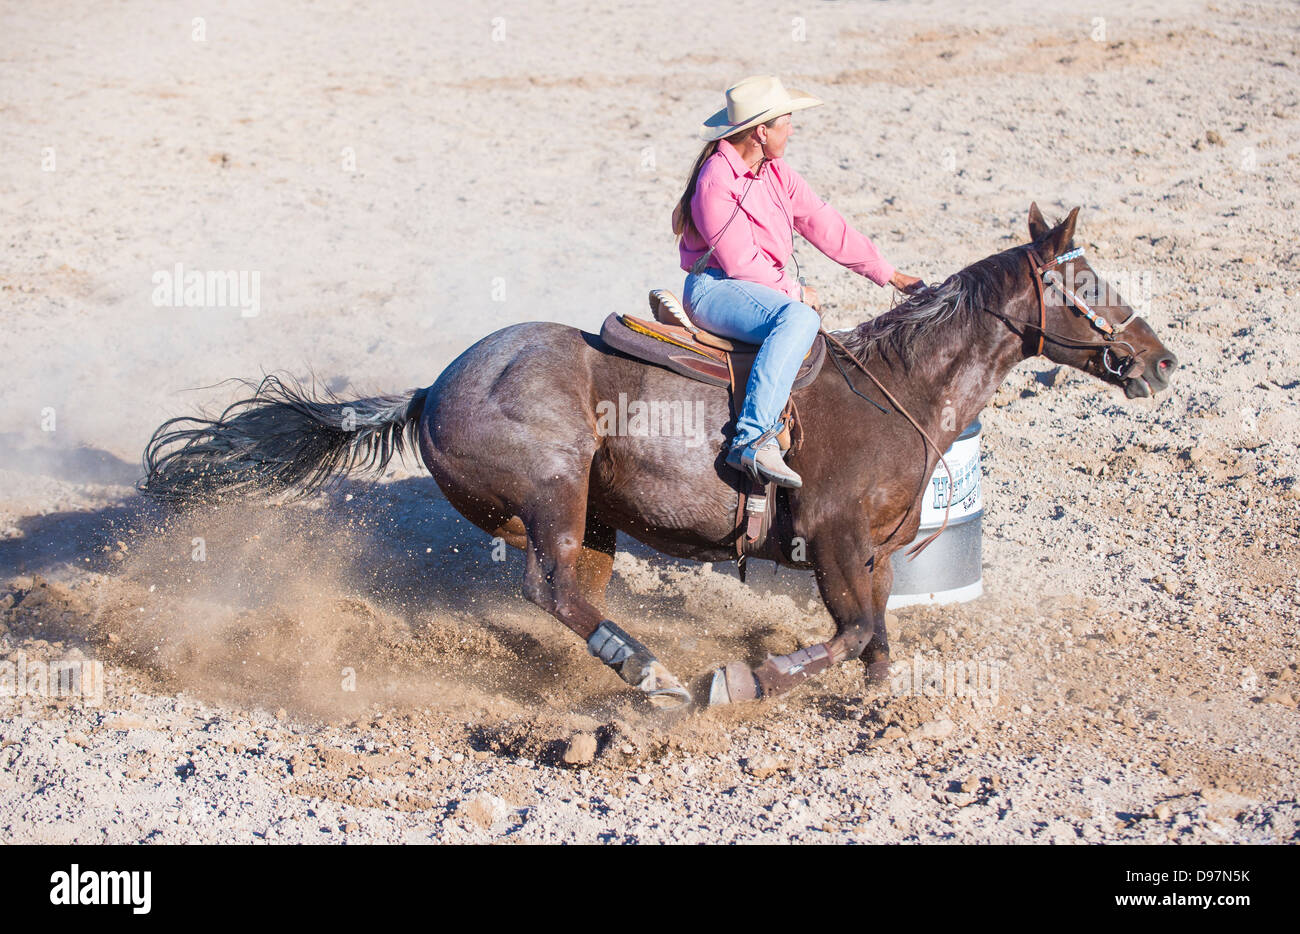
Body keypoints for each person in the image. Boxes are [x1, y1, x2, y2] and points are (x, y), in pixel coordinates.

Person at [673, 75, 922, 488]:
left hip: (748, 285)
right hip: (714, 289)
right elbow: (741, 263)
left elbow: (823, 223)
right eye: (786, 121)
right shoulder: (716, 180)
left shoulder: (774, 173)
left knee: (798, 319)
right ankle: (752, 438)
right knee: (797, 320)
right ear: (761, 131)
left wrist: (889, 273)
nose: (792, 129)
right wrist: (796, 292)